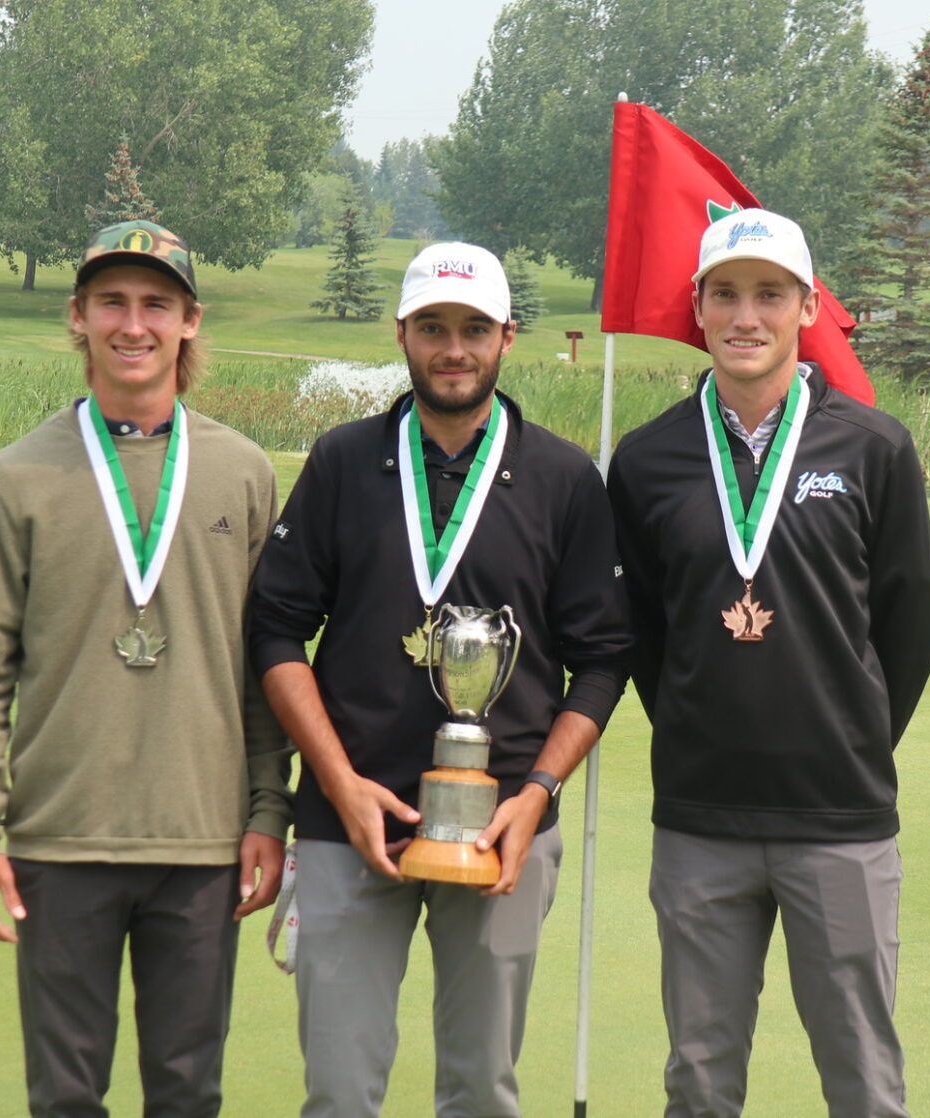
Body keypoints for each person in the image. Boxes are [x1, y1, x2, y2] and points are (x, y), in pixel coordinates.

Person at [246, 242, 632, 1118]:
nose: (453, 349)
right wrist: (338, 785)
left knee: (482, 1091)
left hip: (503, 828)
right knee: (339, 1093)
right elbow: (275, 629)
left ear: (507, 337)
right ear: (403, 334)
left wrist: (536, 795)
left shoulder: (564, 478)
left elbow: (605, 658)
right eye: (432, 328)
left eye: (473, 329)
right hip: (348, 820)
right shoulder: (342, 461)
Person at [0, 219, 292, 1118]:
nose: (134, 325)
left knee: (187, 1094)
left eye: (156, 305)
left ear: (189, 321)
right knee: (65, 1098)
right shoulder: (17, 477)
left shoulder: (243, 472)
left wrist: (267, 812)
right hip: (59, 840)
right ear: (79, 316)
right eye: (112, 303)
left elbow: (265, 666)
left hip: (203, 842)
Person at [606, 208, 930, 1118]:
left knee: (863, 1080)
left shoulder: (874, 448)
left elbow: (908, 628)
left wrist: (846, 733)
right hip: (699, 818)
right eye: (725, 295)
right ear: (698, 309)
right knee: (699, 1082)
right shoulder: (647, 459)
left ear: (808, 307)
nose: (746, 316)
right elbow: (643, 633)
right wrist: (700, 717)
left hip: (839, 817)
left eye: (769, 295)